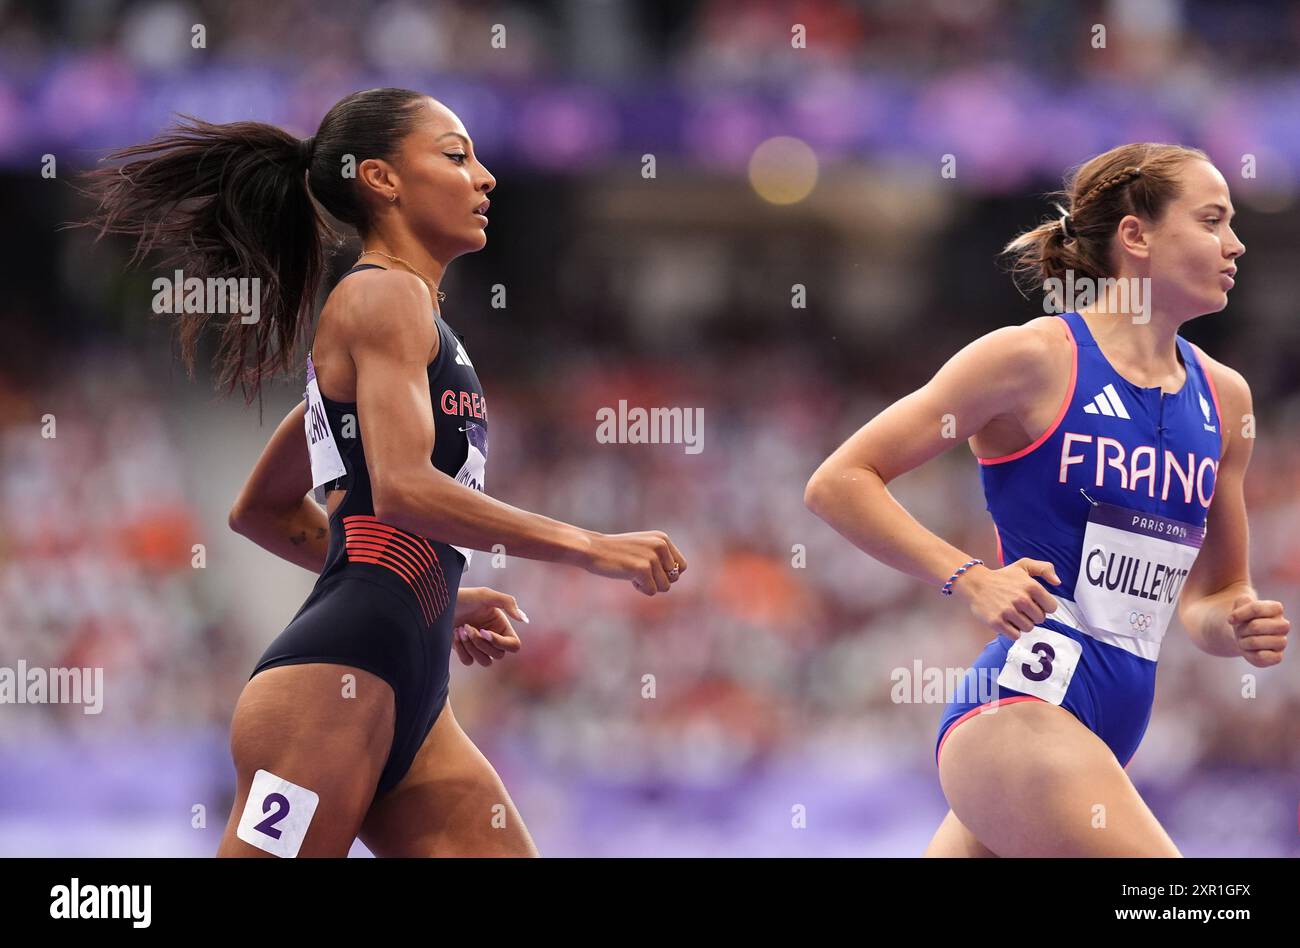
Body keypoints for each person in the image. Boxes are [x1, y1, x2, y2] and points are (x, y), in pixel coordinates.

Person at [78, 88, 687, 857]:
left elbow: (263, 510)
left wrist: (438, 590)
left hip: (413, 701)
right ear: (381, 179)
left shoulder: (407, 321)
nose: (486, 177)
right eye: (457, 155)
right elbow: (402, 488)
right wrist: (589, 546)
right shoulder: (382, 298)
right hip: (337, 680)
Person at [804, 143, 1288, 857]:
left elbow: (1213, 599)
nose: (1235, 243)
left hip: (1099, 739)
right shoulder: (1032, 360)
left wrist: (1237, 624)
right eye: (1213, 220)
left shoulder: (1226, 398)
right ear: (1137, 236)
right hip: (1021, 715)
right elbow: (839, 482)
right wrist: (968, 576)